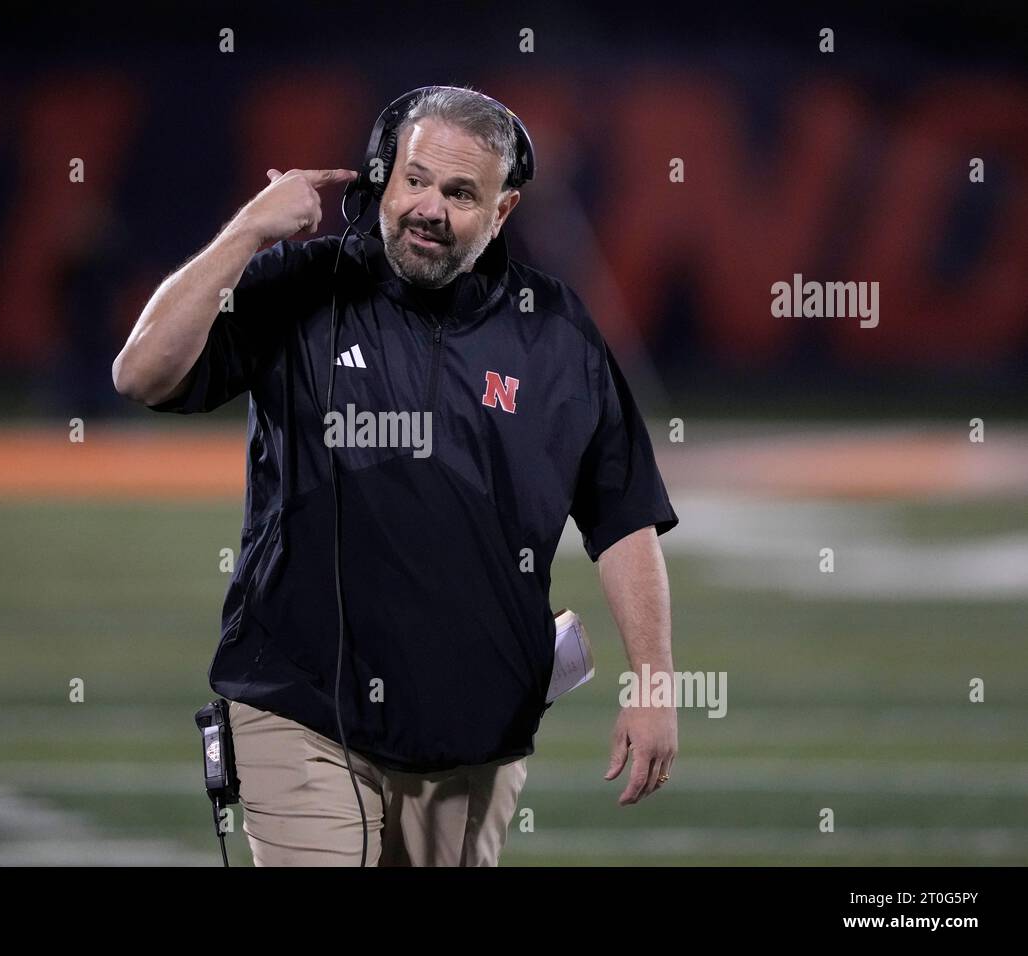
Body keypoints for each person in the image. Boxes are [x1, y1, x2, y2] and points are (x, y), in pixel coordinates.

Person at [114, 85, 679, 866]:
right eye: (414, 180)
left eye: (459, 193)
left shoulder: (555, 332)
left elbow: (623, 516)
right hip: (301, 705)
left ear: (504, 211)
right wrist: (247, 232)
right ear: (382, 175)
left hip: (475, 730)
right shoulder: (302, 285)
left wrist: (654, 682)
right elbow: (141, 374)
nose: (428, 208)